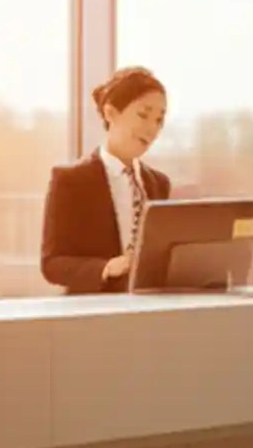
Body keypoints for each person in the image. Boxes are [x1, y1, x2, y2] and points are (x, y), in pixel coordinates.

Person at [41, 66, 171, 294]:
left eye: (159, 120)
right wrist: (106, 268)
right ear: (111, 113)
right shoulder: (70, 181)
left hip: (147, 307)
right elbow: (52, 264)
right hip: (92, 309)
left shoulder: (159, 184)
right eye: (143, 115)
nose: (152, 128)